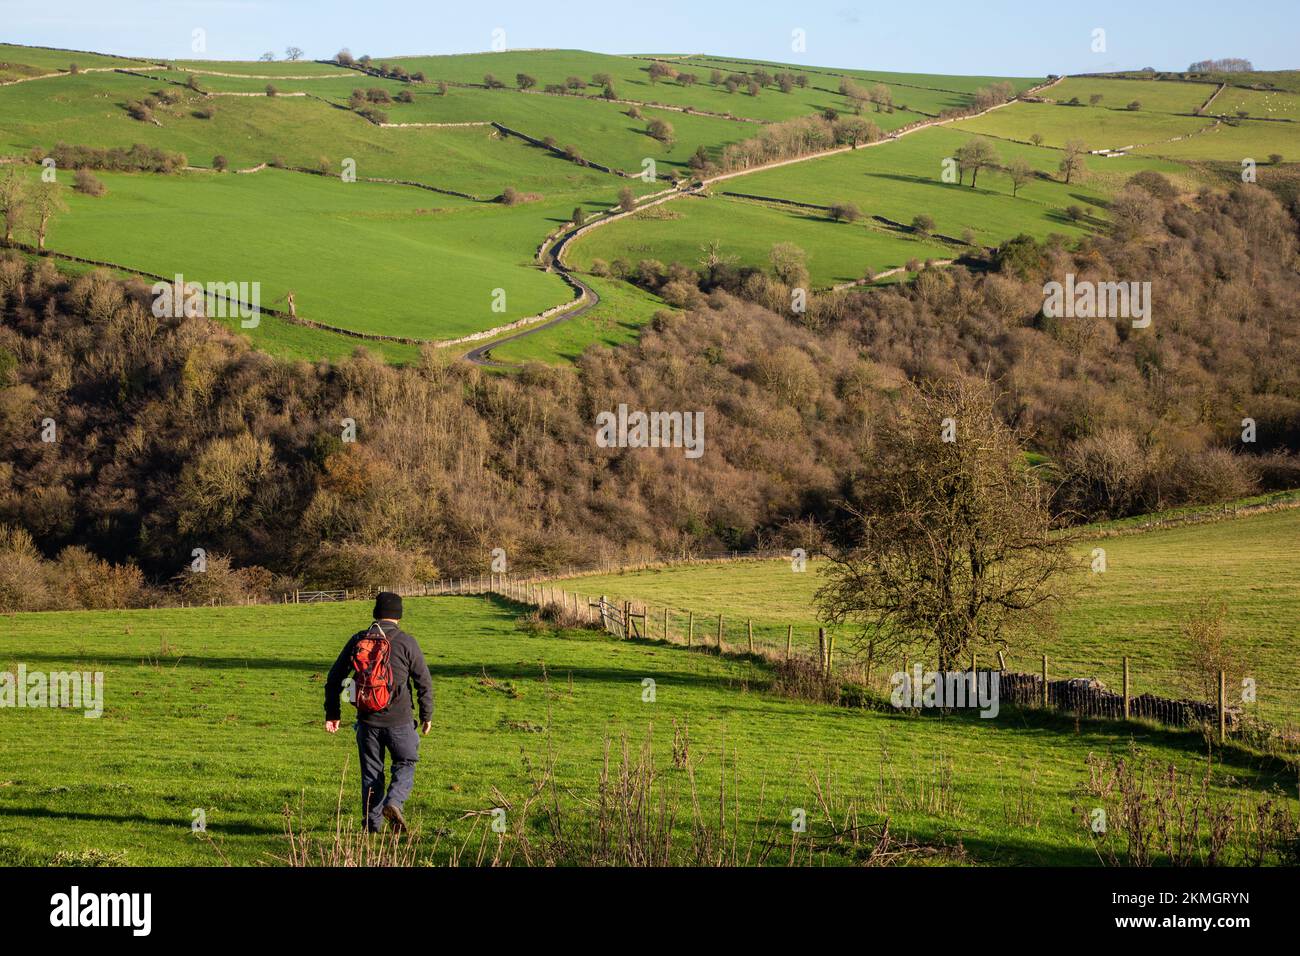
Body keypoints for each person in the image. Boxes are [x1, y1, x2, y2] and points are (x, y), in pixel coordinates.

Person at [324, 592, 433, 833]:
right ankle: (394, 802)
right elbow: (423, 681)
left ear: (376, 613)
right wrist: (427, 715)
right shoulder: (406, 642)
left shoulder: (359, 639)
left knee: (371, 774)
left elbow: (335, 679)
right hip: (400, 722)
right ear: (399, 616)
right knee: (406, 761)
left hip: (367, 723)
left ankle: (372, 826)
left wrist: (333, 713)